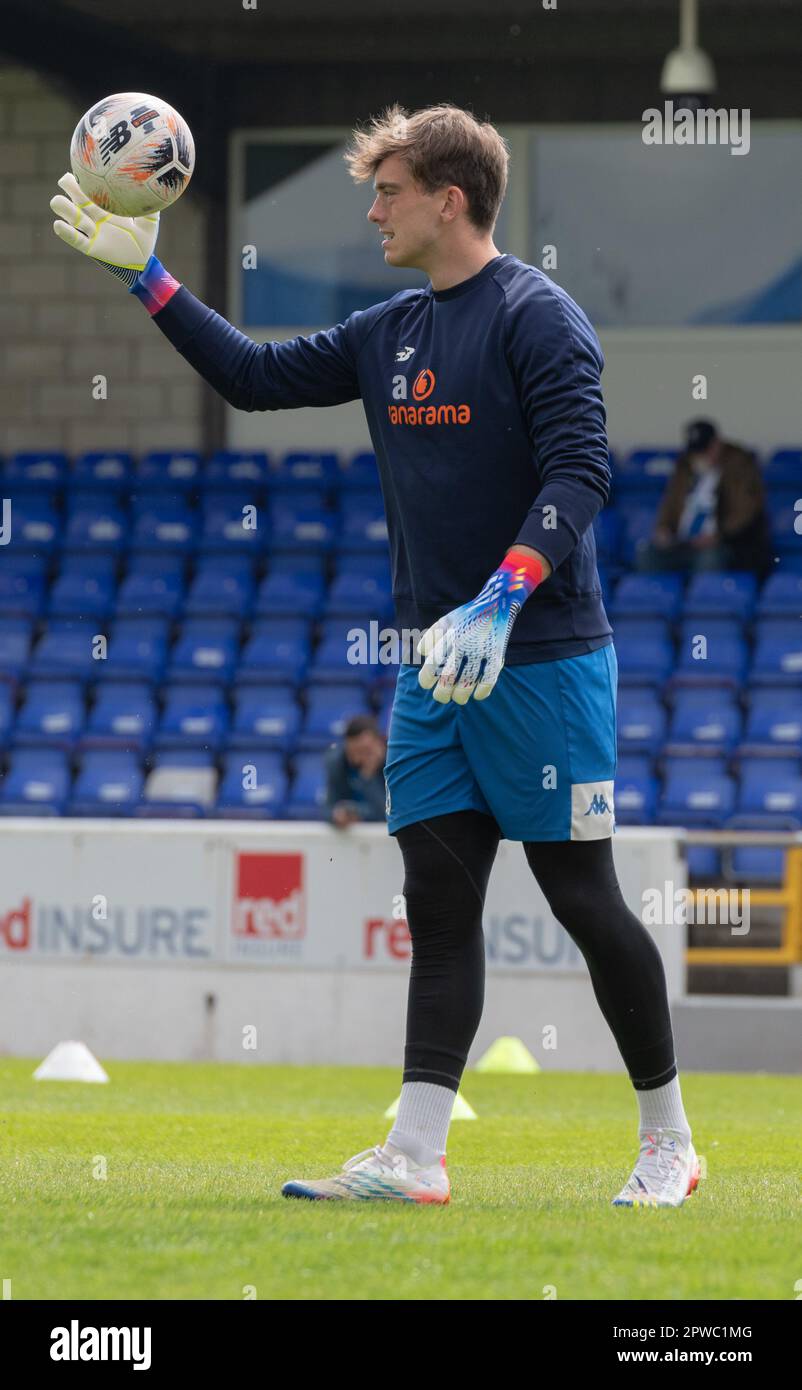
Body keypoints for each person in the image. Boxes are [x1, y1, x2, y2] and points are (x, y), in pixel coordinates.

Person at [50, 102, 699, 1210]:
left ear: (449, 198)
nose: (371, 208)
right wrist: (148, 280)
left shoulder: (538, 318)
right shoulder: (389, 330)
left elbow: (581, 473)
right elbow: (253, 378)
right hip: (433, 672)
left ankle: (669, 1143)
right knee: (435, 910)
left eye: (387, 189)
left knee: (582, 897)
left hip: (537, 655)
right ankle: (414, 1154)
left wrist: (500, 596)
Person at [639, 419, 769, 575]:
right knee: (647, 555)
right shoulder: (684, 467)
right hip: (683, 543)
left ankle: (702, 597)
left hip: (725, 544)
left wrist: (719, 535)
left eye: (704, 450)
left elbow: (746, 510)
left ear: (716, 445)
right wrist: (664, 529)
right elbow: (670, 504)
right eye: (695, 452)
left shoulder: (740, 465)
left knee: (709, 559)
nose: (699, 456)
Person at [324, 715, 387, 827]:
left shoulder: (392, 765)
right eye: (354, 752)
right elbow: (328, 808)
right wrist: (336, 815)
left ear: (379, 746)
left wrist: (367, 777)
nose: (359, 758)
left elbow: (387, 814)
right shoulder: (337, 763)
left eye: (366, 751)